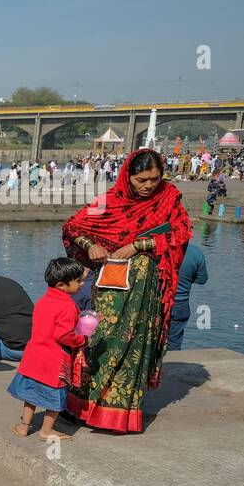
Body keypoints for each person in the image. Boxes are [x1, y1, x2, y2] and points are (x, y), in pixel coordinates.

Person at [63, 148, 192, 433]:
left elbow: (181, 233)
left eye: (154, 179)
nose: (148, 186)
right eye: (142, 180)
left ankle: (117, 416)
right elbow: (73, 226)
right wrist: (90, 246)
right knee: (101, 341)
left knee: (135, 343)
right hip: (110, 287)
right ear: (128, 176)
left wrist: (138, 245)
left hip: (146, 290)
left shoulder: (169, 197)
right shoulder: (110, 200)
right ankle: (79, 408)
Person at [8, 258, 87, 443]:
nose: (82, 284)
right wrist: (82, 340)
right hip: (54, 361)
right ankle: (46, 430)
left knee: (31, 395)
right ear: (61, 285)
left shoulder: (43, 300)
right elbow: (64, 335)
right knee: (54, 399)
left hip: (33, 356)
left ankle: (23, 427)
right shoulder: (67, 306)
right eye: (78, 281)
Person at [167, 241, 208, 351]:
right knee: (174, 343)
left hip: (159, 301)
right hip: (181, 303)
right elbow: (202, 280)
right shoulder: (196, 252)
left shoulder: (159, 249)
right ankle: (173, 366)